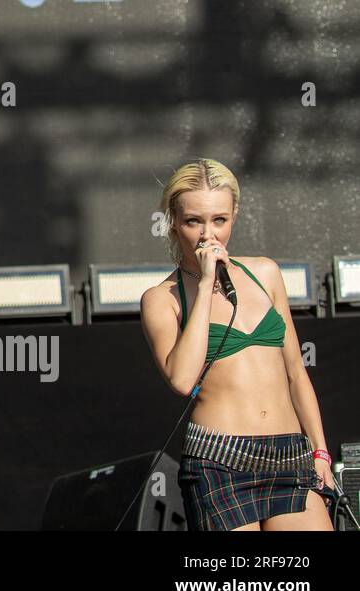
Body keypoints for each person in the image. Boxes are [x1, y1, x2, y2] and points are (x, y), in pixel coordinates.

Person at [140, 157, 336, 531]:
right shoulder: (162, 298)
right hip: (220, 459)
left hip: (289, 455)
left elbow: (295, 372)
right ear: (173, 220)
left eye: (219, 220)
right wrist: (205, 282)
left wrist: (320, 450)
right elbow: (182, 380)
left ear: (234, 215)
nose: (207, 233)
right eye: (193, 221)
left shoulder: (266, 273)